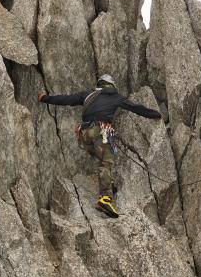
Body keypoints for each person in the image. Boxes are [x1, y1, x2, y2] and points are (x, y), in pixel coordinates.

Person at [38, 73, 162, 218]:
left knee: (102, 159)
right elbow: (137, 108)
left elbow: (66, 99)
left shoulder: (87, 95)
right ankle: (105, 199)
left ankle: (107, 183)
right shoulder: (116, 97)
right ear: (112, 85)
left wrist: (44, 98)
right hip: (100, 131)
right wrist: (155, 114)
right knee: (106, 162)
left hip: (84, 135)